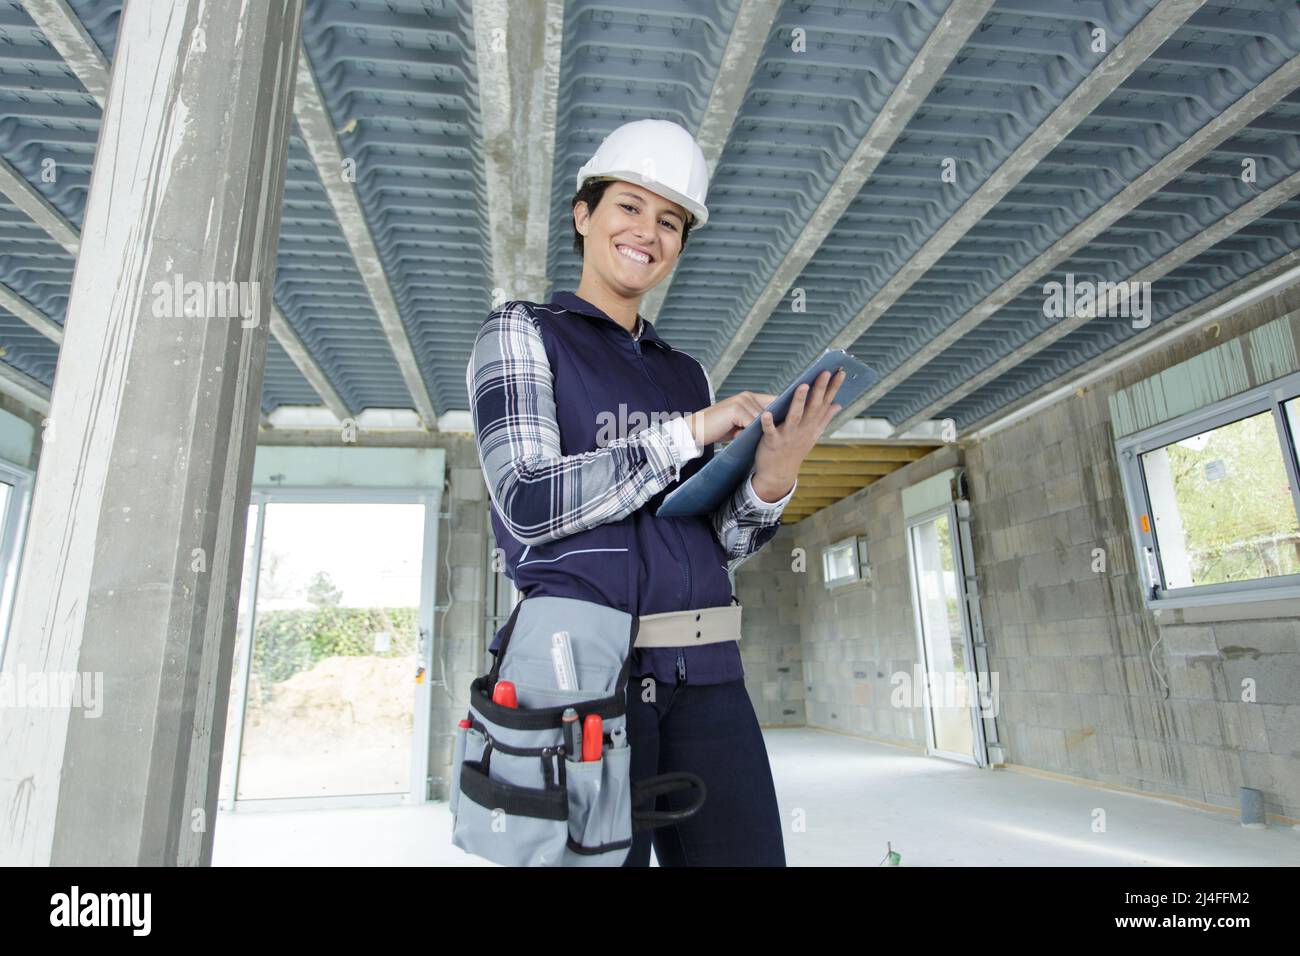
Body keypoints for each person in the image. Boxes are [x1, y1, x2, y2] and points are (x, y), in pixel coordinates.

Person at [466, 118, 844, 866]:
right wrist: (685, 432)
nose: (649, 232)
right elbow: (527, 499)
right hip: (583, 680)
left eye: (669, 221)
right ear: (584, 216)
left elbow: (721, 540)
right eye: (629, 207)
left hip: (706, 677)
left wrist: (774, 472)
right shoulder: (520, 333)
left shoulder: (684, 371)